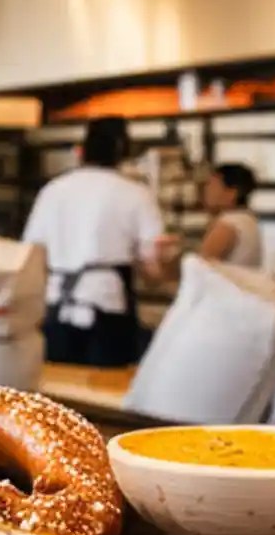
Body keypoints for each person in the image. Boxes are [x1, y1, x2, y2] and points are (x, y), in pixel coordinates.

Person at [22, 116, 177, 367]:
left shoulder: (53, 190)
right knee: (103, 391)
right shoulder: (135, 193)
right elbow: (154, 269)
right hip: (108, 309)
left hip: (56, 305)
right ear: (123, 150)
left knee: (57, 392)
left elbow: (32, 254)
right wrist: (170, 264)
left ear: (82, 150)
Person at [199, 163, 262, 268]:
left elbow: (199, 269)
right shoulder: (248, 219)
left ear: (232, 193)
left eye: (213, 186)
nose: (206, 191)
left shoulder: (228, 223)